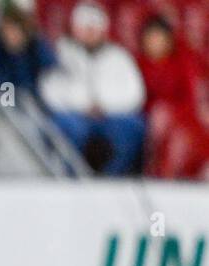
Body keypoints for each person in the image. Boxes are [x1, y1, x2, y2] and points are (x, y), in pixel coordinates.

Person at [40, 2, 146, 175]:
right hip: (73, 113)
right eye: (84, 27)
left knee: (132, 126)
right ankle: (70, 175)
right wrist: (82, 106)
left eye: (93, 27)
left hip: (111, 114)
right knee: (65, 126)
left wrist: (105, 106)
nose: (89, 32)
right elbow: (49, 90)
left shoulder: (119, 56)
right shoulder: (60, 53)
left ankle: (112, 177)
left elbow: (135, 94)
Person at [0, 6, 55, 98]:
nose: (12, 36)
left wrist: (35, 42)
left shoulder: (34, 47)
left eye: (17, 31)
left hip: (29, 98)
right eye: (8, 31)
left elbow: (50, 63)